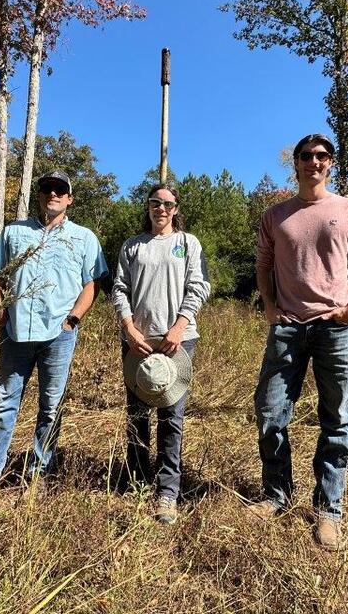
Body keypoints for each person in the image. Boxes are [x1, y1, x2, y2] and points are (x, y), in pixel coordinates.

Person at [250, 134, 348, 550]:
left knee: (336, 419)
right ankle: (277, 495)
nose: (314, 161)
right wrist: (270, 306)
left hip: (335, 329)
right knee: (270, 412)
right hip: (287, 329)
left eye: (322, 155)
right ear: (296, 164)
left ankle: (328, 511)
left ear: (331, 163)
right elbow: (263, 265)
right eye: (306, 155)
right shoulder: (275, 216)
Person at [0, 170, 108, 491]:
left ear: (70, 198)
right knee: (5, 404)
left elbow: (92, 283)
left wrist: (72, 319)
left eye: (60, 189)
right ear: (40, 195)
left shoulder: (84, 238)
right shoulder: (14, 232)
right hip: (16, 332)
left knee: (51, 406)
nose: (53, 194)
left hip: (59, 335)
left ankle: (38, 474)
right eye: (47, 188)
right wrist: (0, 308)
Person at [112, 184, 211, 524]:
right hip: (138, 341)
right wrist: (129, 327)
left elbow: (199, 286)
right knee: (137, 414)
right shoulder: (132, 246)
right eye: (155, 202)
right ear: (148, 206)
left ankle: (167, 491)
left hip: (177, 341)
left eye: (168, 203)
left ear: (176, 209)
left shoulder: (188, 243)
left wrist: (180, 326)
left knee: (171, 417)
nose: (161, 208)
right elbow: (120, 289)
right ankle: (137, 481)